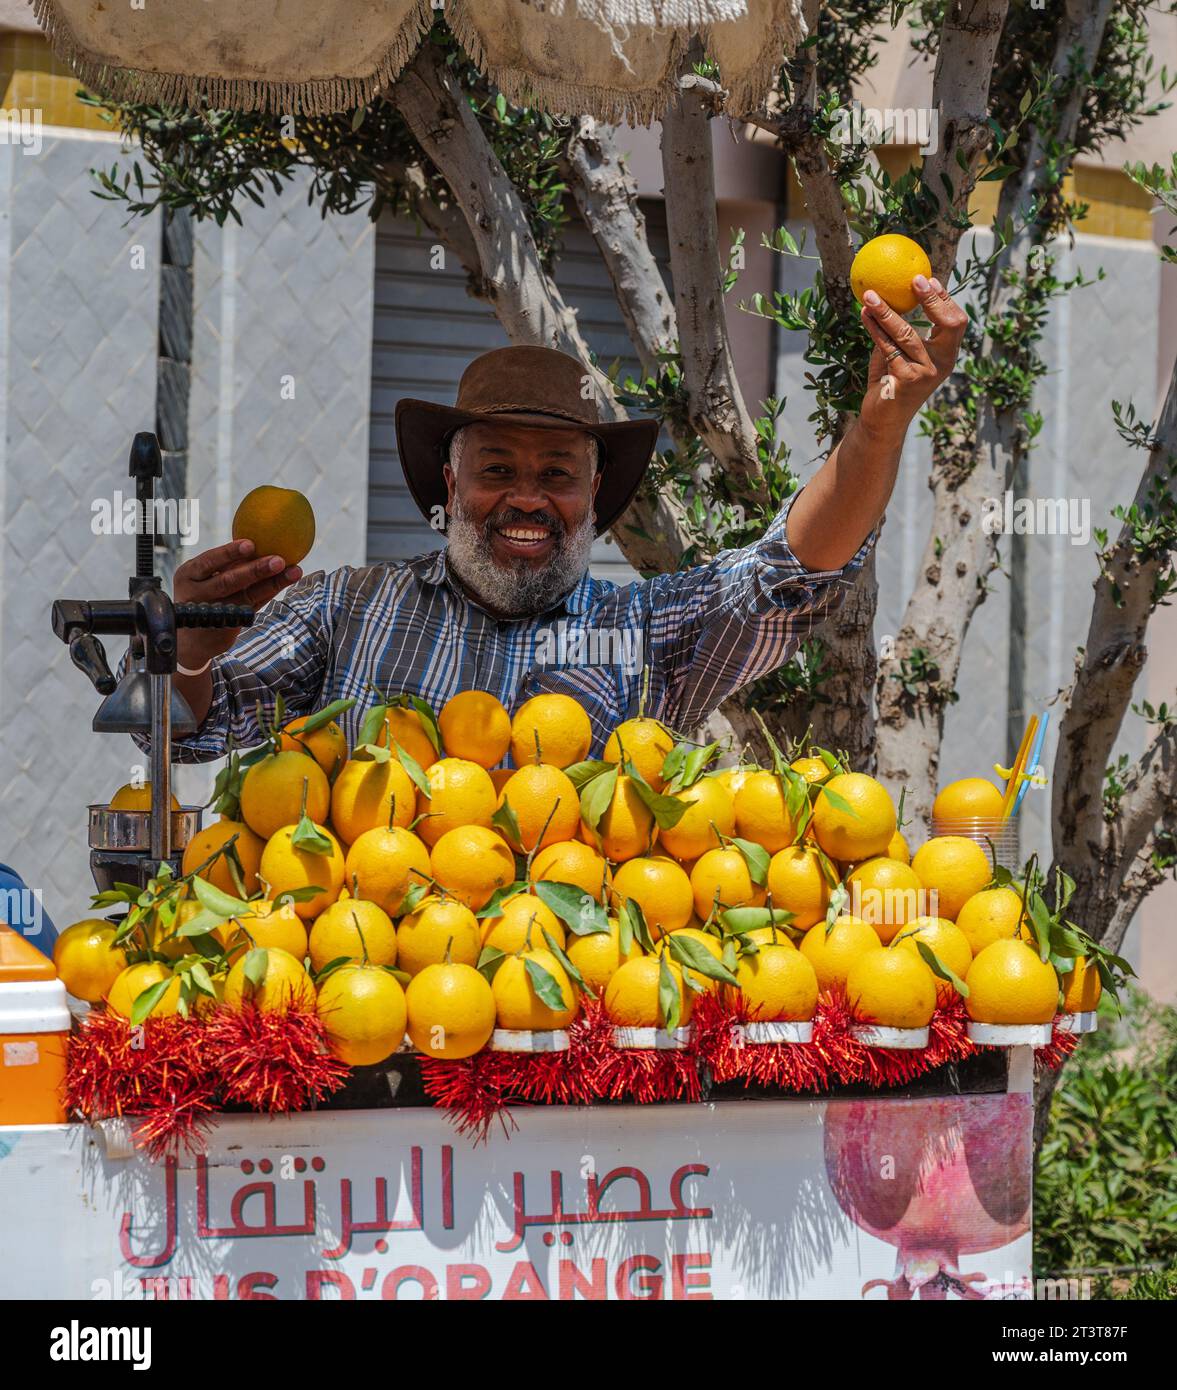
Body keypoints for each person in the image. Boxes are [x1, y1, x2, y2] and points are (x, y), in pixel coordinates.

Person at [163, 276, 966, 759]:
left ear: (591, 497)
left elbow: (791, 569)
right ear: (449, 481)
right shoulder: (344, 610)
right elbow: (189, 729)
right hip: (368, 1009)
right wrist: (190, 653)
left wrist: (879, 427)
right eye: (497, 470)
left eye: (557, 474)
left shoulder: (648, 630)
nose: (527, 498)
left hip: (581, 1018)